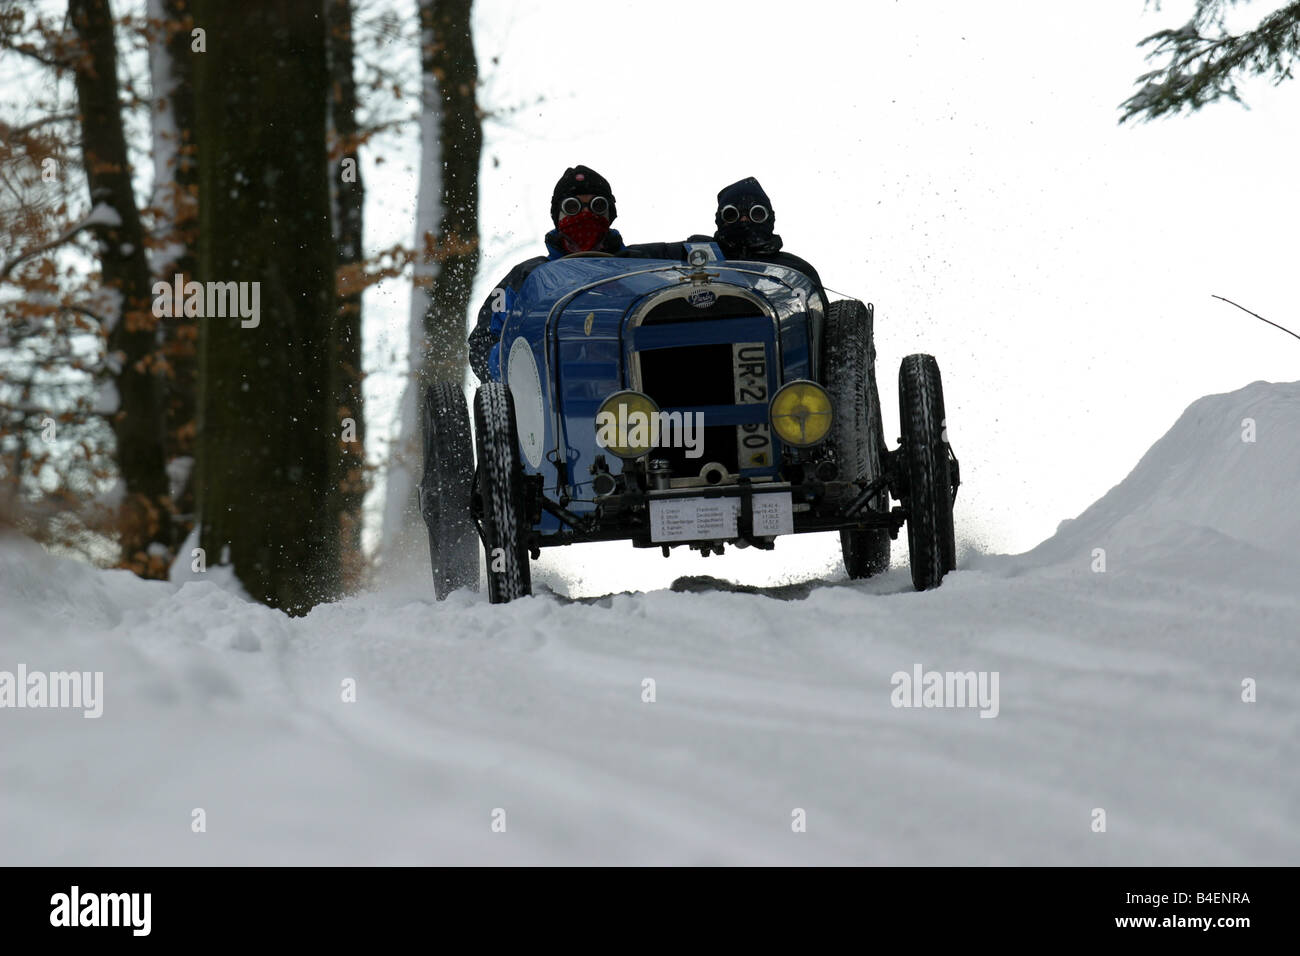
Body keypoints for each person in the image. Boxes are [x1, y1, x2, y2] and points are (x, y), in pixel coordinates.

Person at [468, 165, 626, 382]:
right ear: (558, 217)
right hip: (549, 397)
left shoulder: (637, 267)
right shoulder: (525, 278)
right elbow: (482, 344)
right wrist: (520, 365)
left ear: (610, 214)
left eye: (597, 206)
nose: (586, 214)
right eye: (573, 207)